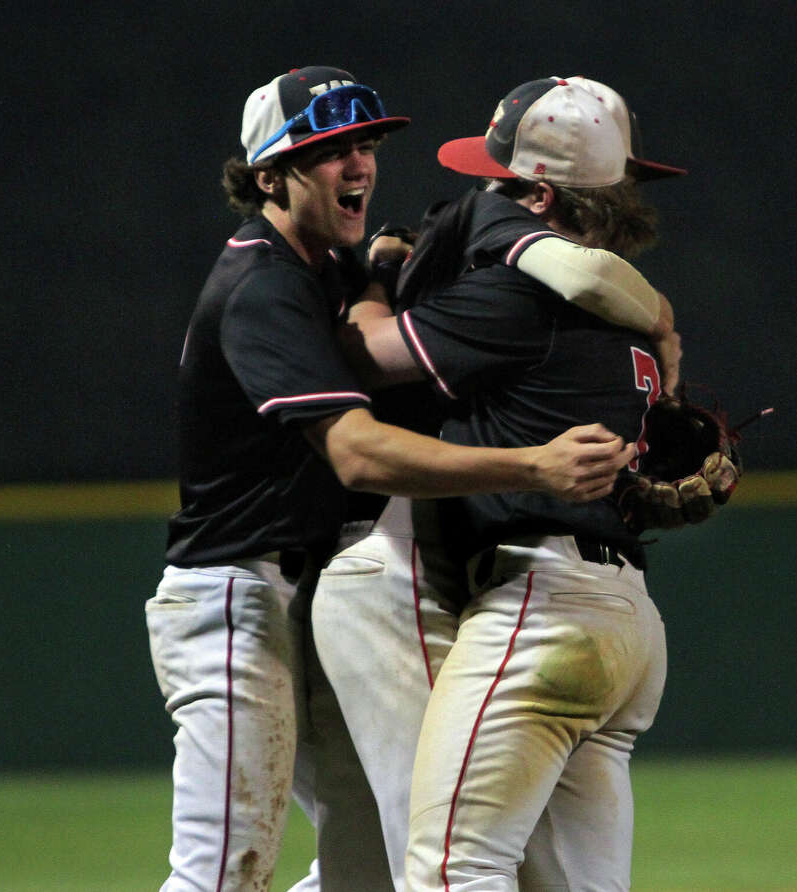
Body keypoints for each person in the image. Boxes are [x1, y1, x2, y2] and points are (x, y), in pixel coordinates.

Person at [144, 66, 636, 892]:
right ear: (269, 176)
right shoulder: (261, 285)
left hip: (308, 599)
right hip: (234, 597)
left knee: (369, 867)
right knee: (222, 871)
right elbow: (359, 454)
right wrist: (531, 466)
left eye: (366, 145)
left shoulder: (332, 272)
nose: (360, 165)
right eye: (330, 150)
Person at [314, 76, 684, 891]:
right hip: (628, 623)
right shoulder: (634, 311)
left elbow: (370, 353)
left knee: (455, 870)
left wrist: (377, 275)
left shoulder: (518, 293)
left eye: (501, 181)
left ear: (539, 195)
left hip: (542, 608)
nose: (485, 192)